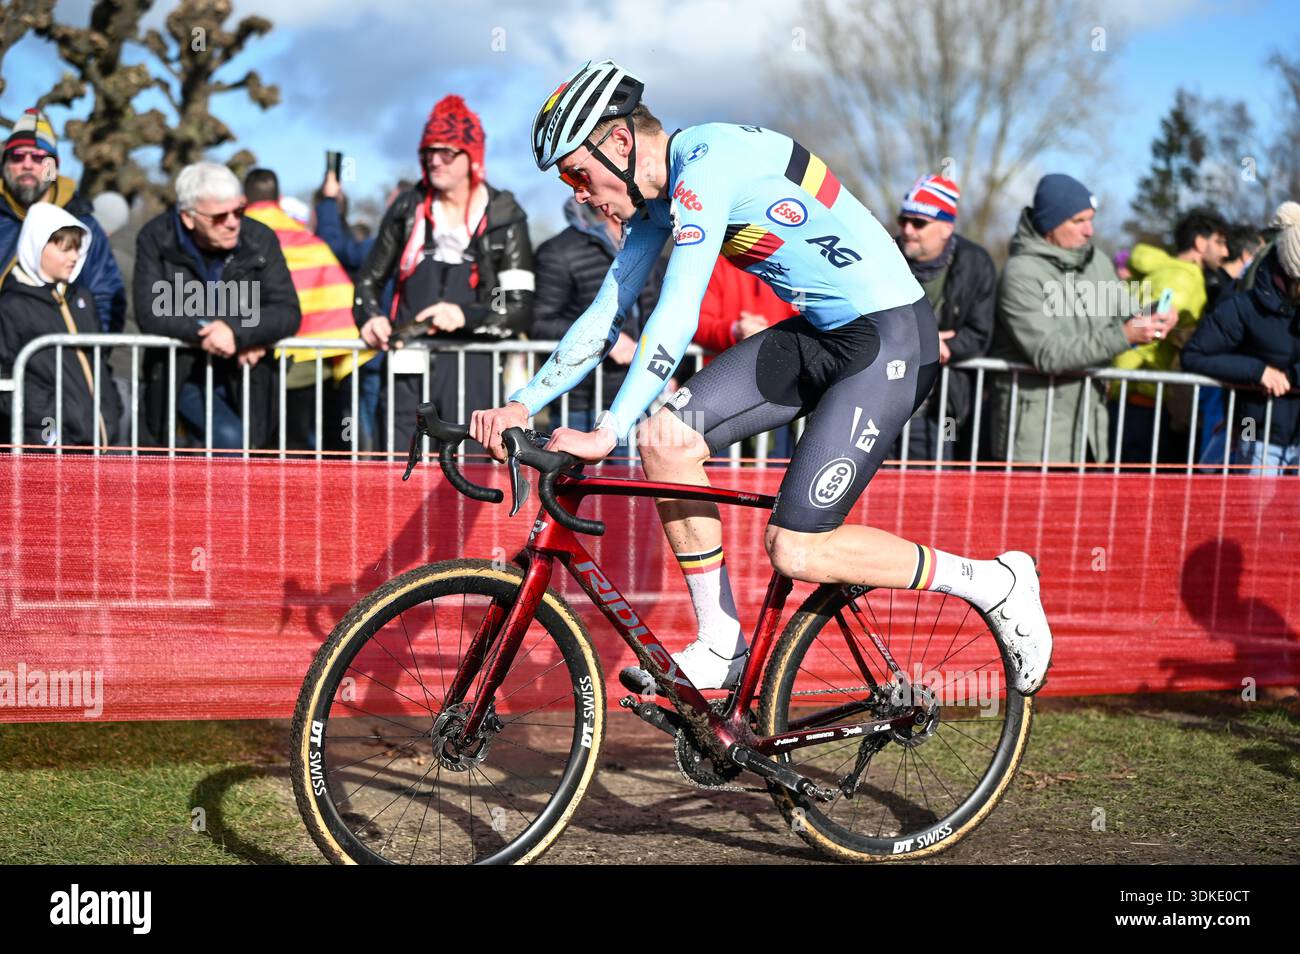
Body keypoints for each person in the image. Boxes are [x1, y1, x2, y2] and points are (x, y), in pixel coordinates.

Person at [469, 59, 1053, 696]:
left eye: (578, 173)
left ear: (619, 141)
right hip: (820, 335)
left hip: (890, 339)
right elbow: (606, 311)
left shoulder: (706, 166)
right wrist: (521, 403)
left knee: (796, 548)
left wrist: (608, 429)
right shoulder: (658, 202)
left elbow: (678, 309)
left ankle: (994, 583)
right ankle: (722, 643)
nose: (578, 193)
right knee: (666, 440)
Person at [353, 96, 534, 452]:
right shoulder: (407, 208)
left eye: (447, 152)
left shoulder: (503, 215)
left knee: (469, 472)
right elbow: (368, 283)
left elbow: (519, 309)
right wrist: (370, 316)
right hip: (408, 367)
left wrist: (462, 315)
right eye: (428, 152)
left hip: (473, 366)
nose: (434, 160)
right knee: (399, 463)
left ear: (472, 158)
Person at [988, 174, 1177, 464]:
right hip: (1034, 437)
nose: (1089, 231)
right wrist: (1125, 336)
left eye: (1091, 219)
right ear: (1050, 224)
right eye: (1078, 221)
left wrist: (1155, 315)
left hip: (1090, 432)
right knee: (1031, 511)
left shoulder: (1097, 261)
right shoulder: (1021, 273)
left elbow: (1127, 313)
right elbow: (1049, 353)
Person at [134, 161, 301, 449]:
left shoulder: (260, 239)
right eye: (219, 216)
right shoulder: (156, 237)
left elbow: (287, 310)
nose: (233, 222)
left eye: (239, 210)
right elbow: (150, 311)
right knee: (229, 440)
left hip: (249, 378)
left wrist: (237, 333)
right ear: (188, 217)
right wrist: (211, 331)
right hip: (181, 376)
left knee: (251, 458)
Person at [244, 168, 371, 452]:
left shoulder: (233, 234)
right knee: (308, 440)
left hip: (250, 359)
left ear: (244, 197)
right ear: (279, 197)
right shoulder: (305, 239)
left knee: (261, 442)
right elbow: (335, 290)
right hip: (312, 358)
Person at [1182, 202, 1300, 475]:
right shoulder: (1241, 306)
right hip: (1256, 434)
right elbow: (1194, 355)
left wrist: (1292, 377)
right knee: (1252, 516)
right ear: (1287, 275)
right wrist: (1257, 371)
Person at [531, 196, 664, 434]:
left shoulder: (649, 241)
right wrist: (605, 338)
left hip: (641, 398)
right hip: (580, 404)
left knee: (636, 472)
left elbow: (661, 313)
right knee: (574, 471)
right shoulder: (558, 251)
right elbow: (540, 323)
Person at [1109, 207, 1229, 464]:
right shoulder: (1183, 278)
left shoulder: (1173, 271)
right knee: (1133, 487)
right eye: (1219, 242)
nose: (1225, 252)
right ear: (1199, 242)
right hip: (1140, 393)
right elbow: (1154, 319)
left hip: (1139, 389)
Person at [0, 202, 122, 448]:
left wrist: (111, 407)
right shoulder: (10, 305)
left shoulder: (82, 298)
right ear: (37, 247)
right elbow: (4, 379)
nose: (74, 257)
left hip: (96, 435)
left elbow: (97, 361)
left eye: (77, 248)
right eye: (64, 249)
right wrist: (50, 418)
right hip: (43, 441)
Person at [893, 174, 995, 462]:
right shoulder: (883, 254)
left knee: (928, 497)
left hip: (939, 409)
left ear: (946, 228)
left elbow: (980, 333)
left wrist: (950, 346)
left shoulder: (976, 263)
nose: (908, 230)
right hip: (878, 402)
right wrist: (928, 341)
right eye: (903, 220)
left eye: (919, 223)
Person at [0, 108, 125, 334]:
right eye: (18, 156)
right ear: (5, 165)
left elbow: (105, 296)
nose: (27, 164)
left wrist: (87, 355)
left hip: (58, 360)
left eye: (39, 157)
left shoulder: (84, 225)